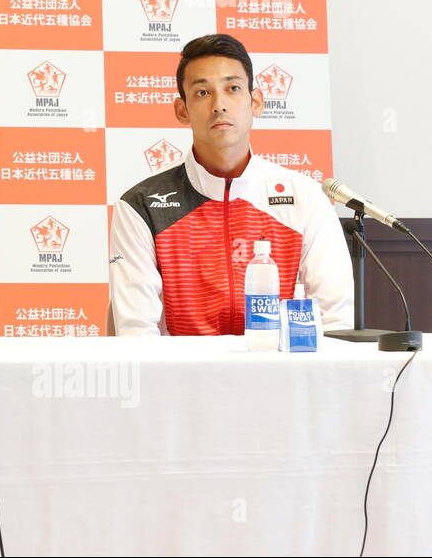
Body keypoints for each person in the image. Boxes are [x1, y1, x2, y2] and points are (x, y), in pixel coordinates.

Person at [109, 33, 352, 336]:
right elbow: (136, 333)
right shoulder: (141, 205)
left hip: (283, 377)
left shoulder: (304, 197)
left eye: (233, 88)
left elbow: (333, 323)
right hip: (182, 380)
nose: (219, 104)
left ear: (256, 102)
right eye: (202, 93)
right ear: (182, 110)